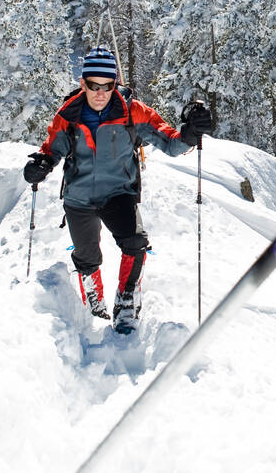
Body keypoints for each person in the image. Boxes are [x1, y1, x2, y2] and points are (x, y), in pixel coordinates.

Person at [24, 47, 213, 322]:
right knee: (87, 257)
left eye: (107, 85)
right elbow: (52, 148)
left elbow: (170, 142)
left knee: (135, 243)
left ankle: (126, 300)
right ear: (83, 84)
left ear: (116, 84)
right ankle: (93, 301)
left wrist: (190, 133)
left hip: (118, 193)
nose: (100, 93)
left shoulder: (133, 112)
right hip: (79, 197)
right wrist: (40, 164)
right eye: (93, 85)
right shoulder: (69, 114)